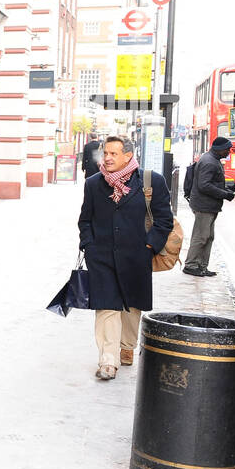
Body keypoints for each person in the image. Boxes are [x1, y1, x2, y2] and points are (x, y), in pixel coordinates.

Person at [78, 134, 173, 380]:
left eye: (113, 154)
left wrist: (150, 247)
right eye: (105, 153)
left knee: (131, 306)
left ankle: (127, 346)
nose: (107, 158)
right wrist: (88, 245)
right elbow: (85, 219)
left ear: (128, 156)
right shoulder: (93, 183)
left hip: (137, 254)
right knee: (107, 306)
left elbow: (164, 220)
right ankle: (108, 360)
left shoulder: (152, 181)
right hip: (101, 256)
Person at [184, 136, 235, 277]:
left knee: (209, 236)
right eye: (227, 149)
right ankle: (191, 265)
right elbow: (204, 185)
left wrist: (226, 191)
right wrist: (224, 194)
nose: (229, 152)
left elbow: (211, 182)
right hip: (204, 205)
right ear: (220, 149)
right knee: (201, 236)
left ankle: (201, 266)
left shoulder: (212, 159)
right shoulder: (209, 162)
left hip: (209, 205)